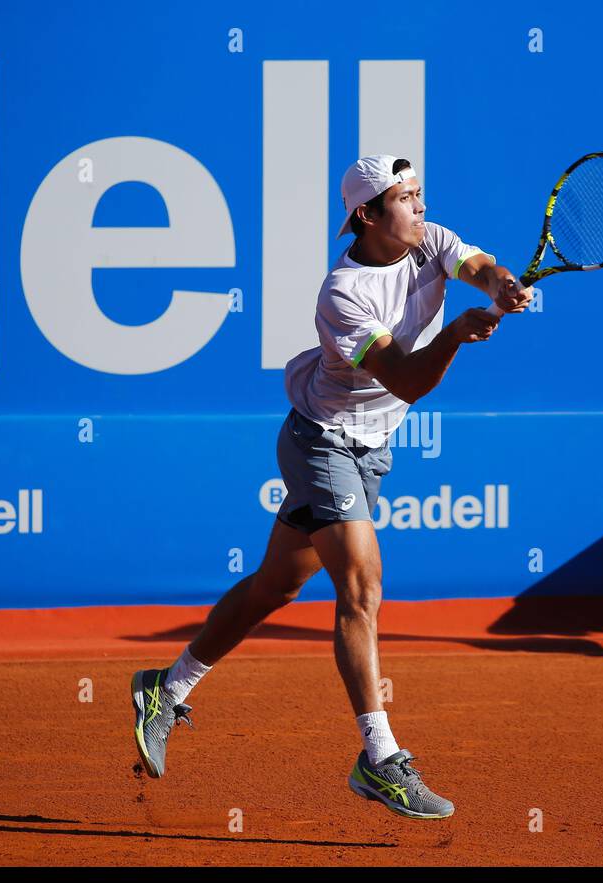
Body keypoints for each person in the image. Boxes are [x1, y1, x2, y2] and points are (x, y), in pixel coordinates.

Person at [130, 155, 532, 817]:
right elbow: (405, 380)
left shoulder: (427, 241)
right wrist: (457, 332)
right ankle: (380, 759)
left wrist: (503, 284)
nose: (420, 209)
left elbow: (478, 265)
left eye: (420, 196)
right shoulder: (342, 293)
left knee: (275, 586)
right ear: (367, 216)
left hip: (372, 449)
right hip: (322, 442)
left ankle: (165, 691)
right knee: (362, 585)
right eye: (405, 199)